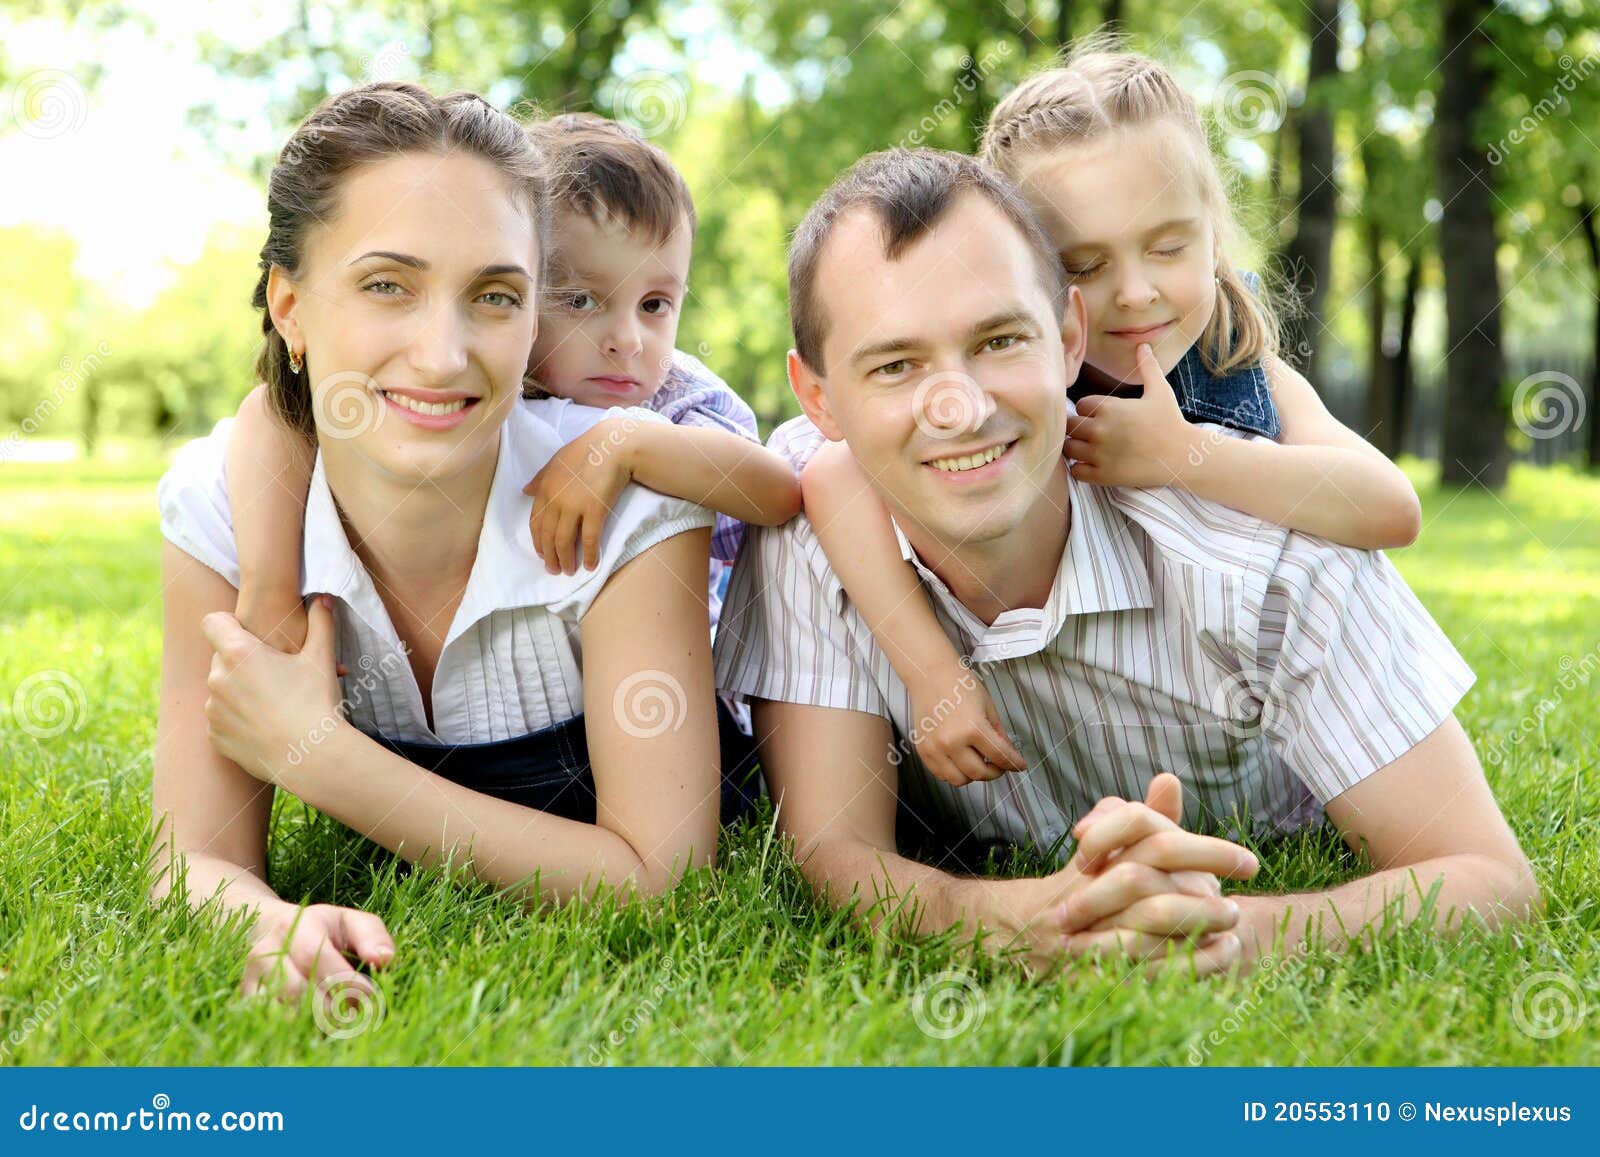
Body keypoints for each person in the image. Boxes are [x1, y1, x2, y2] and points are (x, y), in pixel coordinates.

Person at [714, 146, 1539, 976]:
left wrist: (1228, 932)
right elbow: (832, 855)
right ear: (817, 397)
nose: (960, 407)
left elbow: (1489, 878)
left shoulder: (1274, 558)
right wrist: (1014, 917)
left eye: (999, 340)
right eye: (896, 364)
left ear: (1071, 337)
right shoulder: (807, 532)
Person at [151, 83, 731, 1005]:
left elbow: (662, 882)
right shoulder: (227, 512)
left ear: (536, 314)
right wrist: (257, 913)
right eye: (388, 285)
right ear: (290, 307)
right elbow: (191, 854)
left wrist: (323, 758)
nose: (442, 352)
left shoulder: (632, 508)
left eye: (495, 296)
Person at [798, 44, 1422, 790]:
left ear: (1213, 237)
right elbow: (832, 474)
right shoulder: (1003, 380)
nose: (1134, 293)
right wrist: (932, 674)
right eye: (1085, 266)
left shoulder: (1234, 353)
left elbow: (1391, 508)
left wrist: (1185, 454)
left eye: (1168, 247)